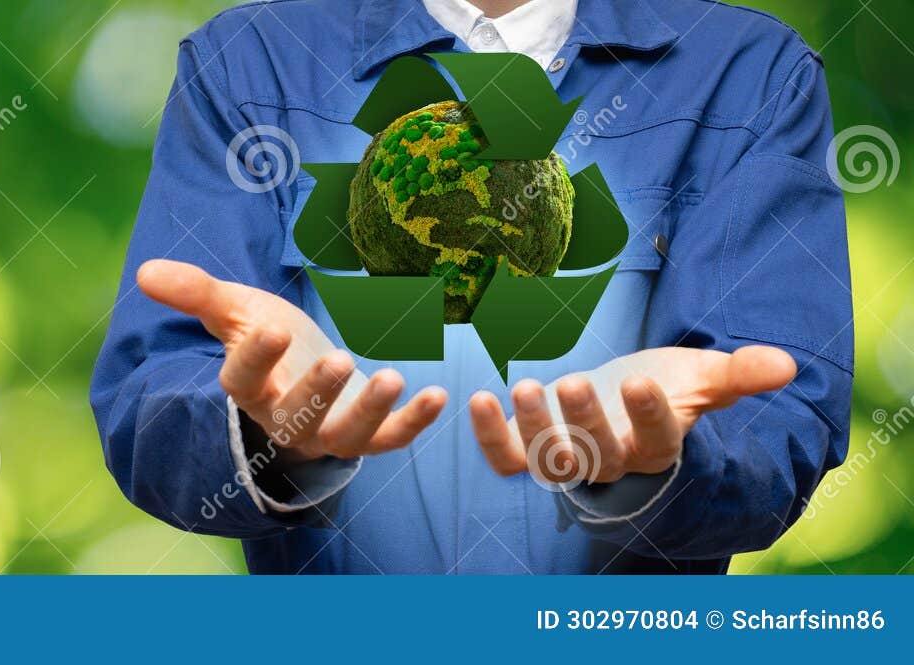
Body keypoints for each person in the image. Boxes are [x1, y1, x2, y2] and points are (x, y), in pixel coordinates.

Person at [90, 0, 852, 573]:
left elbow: (783, 422)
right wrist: (266, 432)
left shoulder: (749, 74)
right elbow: (150, 405)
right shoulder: (250, 64)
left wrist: (661, 455)